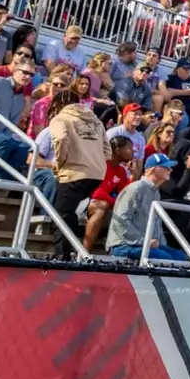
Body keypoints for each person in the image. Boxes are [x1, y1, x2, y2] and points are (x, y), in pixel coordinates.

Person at [48, 85, 106, 259]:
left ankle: (62, 256)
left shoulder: (60, 118)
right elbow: (107, 150)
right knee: (69, 211)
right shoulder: (96, 120)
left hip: (74, 171)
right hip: (96, 174)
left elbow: (60, 138)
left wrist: (60, 162)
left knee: (60, 215)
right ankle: (71, 252)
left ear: (59, 104)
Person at [107, 153, 190, 263]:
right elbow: (121, 222)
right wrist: (144, 241)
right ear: (154, 169)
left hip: (143, 243)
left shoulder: (155, 192)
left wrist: (158, 244)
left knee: (184, 259)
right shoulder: (135, 189)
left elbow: (156, 225)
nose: (170, 170)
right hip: (122, 245)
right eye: (166, 167)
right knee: (166, 258)